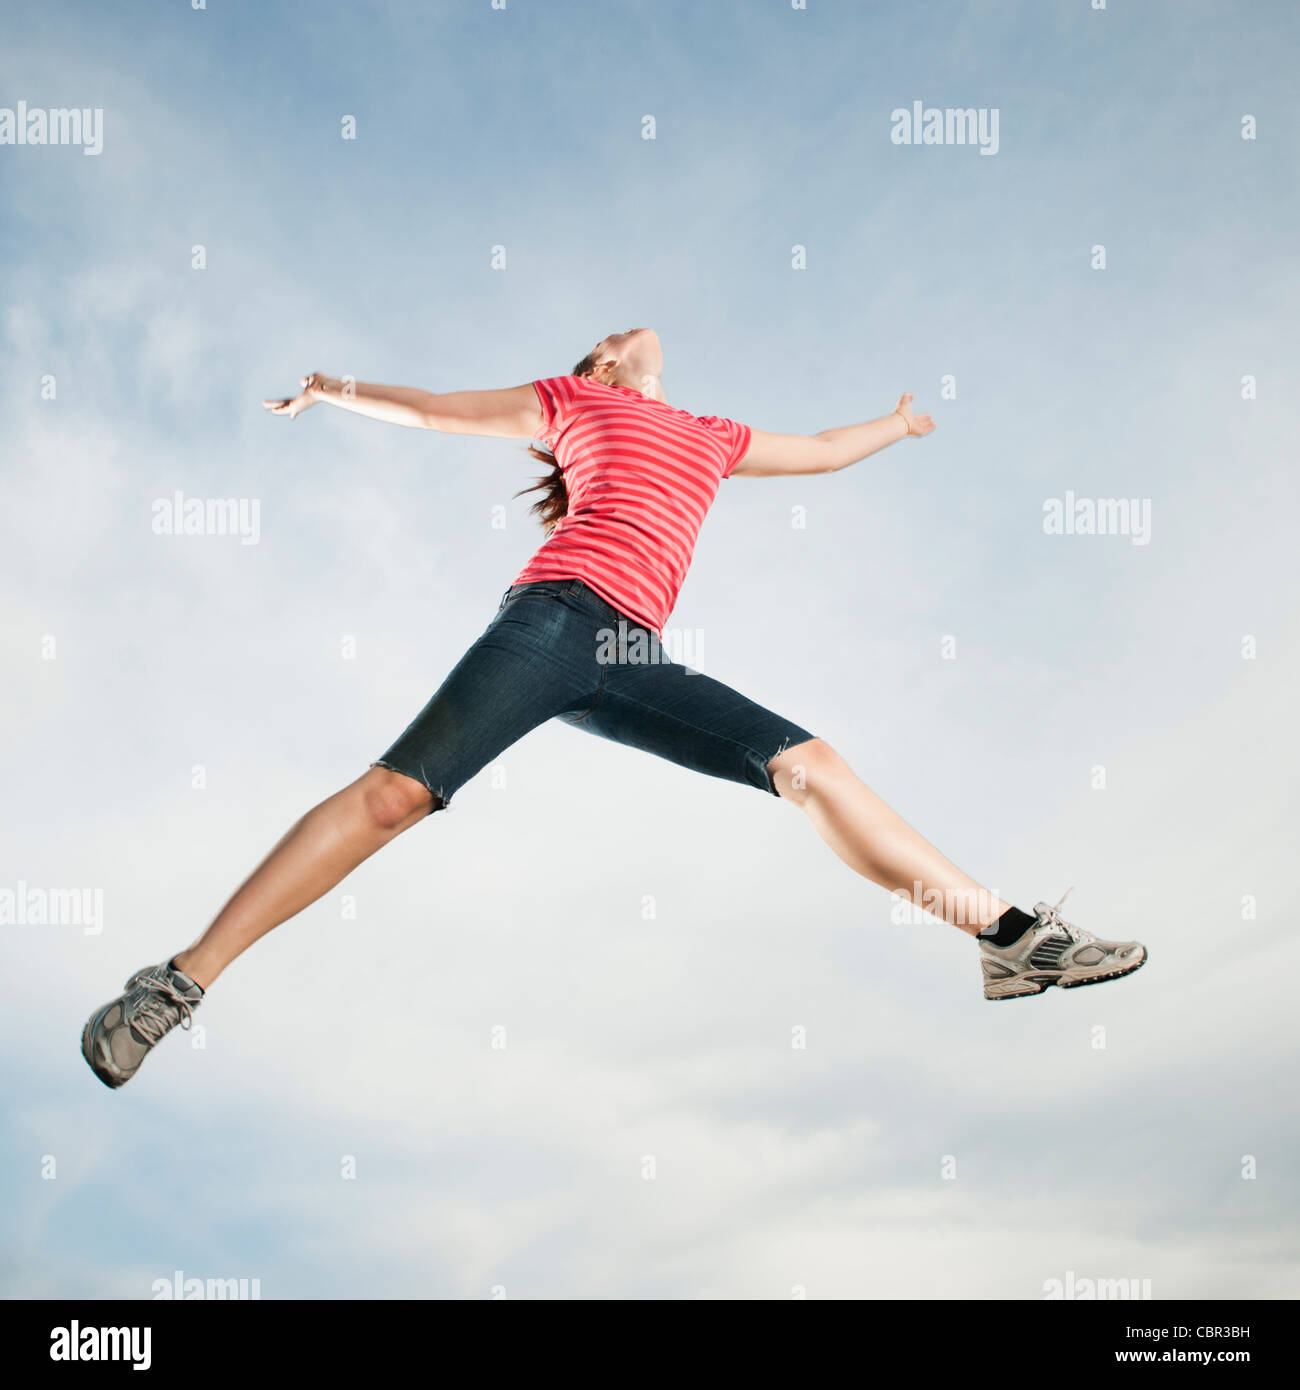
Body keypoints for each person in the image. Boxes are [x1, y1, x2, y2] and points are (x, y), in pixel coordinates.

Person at [81, 328, 1146, 1089]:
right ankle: (173, 985)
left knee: (808, 764)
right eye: (612, 333)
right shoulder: (569, 398)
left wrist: (897, 423)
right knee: (394, 798)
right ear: (598, 364)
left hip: (635, 653)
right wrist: (332, 386)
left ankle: (1004, 937)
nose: (634, 333)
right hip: (550, 622)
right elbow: (435, 411)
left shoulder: (713, 435)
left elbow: (818, 449)